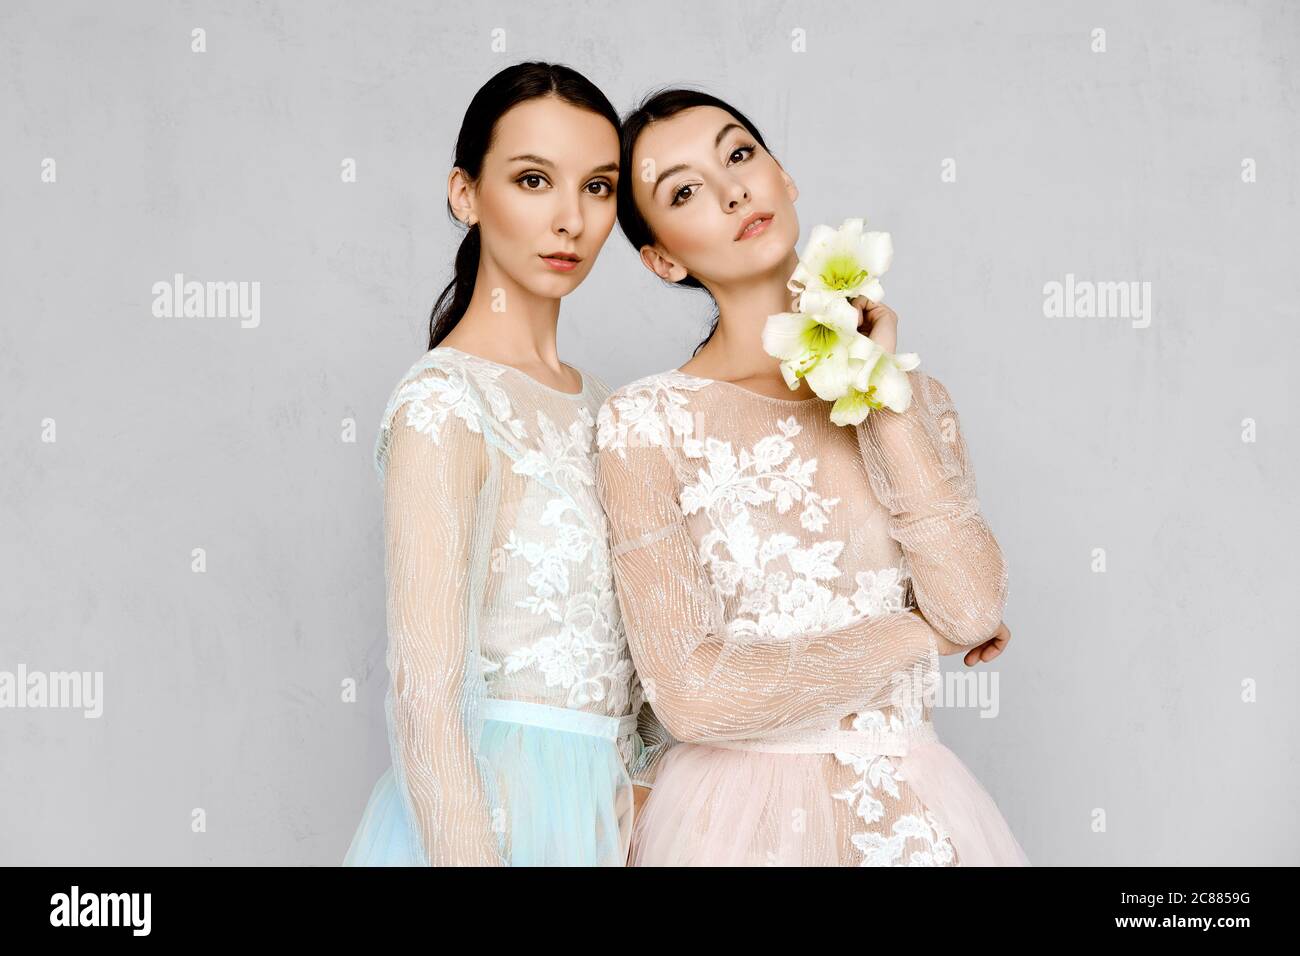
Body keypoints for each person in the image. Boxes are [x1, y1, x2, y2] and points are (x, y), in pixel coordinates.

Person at [594, 88, 1029, 865]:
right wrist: (916, 634)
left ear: (783, 175)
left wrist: (879, 385)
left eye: (739, 155)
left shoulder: (920, 402)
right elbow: (692, 696)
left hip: (911, 819)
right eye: (685, 191)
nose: (731, 190)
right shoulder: (645, 423)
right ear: (663, 258)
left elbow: (970, 606)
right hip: (728, 830)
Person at [343, 62, 671, 867]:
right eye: (533, 179)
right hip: (496, 824)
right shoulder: (445, 406)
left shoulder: (609, 408)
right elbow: (426, 701)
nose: (570, 219)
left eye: (598, 188)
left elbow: (655, 670)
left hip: (621, 823)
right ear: (465, 194)